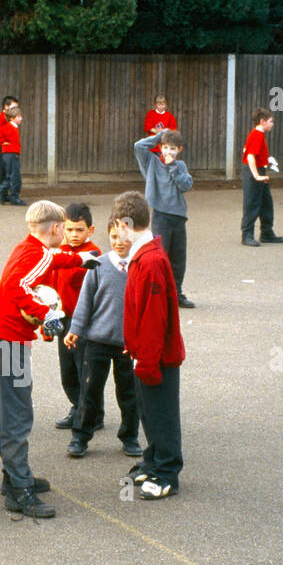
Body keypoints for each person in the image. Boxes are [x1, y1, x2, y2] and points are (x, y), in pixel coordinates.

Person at [0, 200, 100, 519]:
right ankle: (19, 489)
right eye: (64, 227)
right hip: (7, 342)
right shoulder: (36, 253)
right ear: (57, 228)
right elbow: (15, 285)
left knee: (8, 414)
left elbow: (53, 260)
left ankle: (14, 476)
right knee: (17, 416)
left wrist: (81, 258)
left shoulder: (30, 247)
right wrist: (46, 313)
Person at [114, 191, 184, 499]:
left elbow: (154, 318)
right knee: (148, 412)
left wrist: (148, 361)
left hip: (157, 358)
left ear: (122, 223)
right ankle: (153, 460)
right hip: (143, 353)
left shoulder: (151, 260)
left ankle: (168, 471)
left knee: (162, 414)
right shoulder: (142, 256)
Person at [64, 222, 141, 459]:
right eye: (114, 236)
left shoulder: (140, 266)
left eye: (124, 237)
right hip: (97, 340)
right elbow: (85, 300)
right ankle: (81, 436)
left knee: (129, 393)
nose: (119, 242)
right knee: (90, 390)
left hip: (128, 344)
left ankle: (130, 437)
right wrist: (76, 328)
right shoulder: (99, 265)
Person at [51, 203, 102, 431]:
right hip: (64, 318)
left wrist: (58, 255)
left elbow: (70, 275)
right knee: (68, 372)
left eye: (79, 230)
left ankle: (92, 413)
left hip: (83, 322)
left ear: (90, 230)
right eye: (69, 230)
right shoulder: (62, 252)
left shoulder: (92, 254)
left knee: (85, 371)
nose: (73, 235)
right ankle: (77, 406)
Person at [134, 129, 196, 307]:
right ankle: (158, 295)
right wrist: (160, 135)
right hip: (160, 215)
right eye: (166, 147)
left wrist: (173, 167)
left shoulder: (180, 166)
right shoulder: (151, 163)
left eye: (173, 148)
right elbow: (138, 146)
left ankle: (177, 294)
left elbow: (185, 185)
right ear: (160, 147)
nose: (169, 151)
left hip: (178, 216)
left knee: (178, 258)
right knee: (159, 257)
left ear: (180, 150)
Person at [240, 109, 283, 246]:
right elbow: (250, 157)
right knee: (252, 204)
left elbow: (255, 153)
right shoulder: (257, 135)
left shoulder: (260, 135)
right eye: (270, 121)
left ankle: (266, 232)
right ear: (262, 121)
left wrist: (268, 159)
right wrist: (257, 176)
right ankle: (247, 235)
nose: (272, 124)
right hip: (253, 172)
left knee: (266, 203)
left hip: (260, 170)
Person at [0, 106, 26, 206]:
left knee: (11, 175)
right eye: (18, 117)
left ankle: (2, 192)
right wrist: (3, 143)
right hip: (10, 154)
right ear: (12, 118)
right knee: (15, 176)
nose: (21, 119)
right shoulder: (9, 127)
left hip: (11, 154)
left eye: (20, 117)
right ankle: (12, 196)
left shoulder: (13, 127)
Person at [0, 95, 19, 198]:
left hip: (6, 147)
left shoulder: (7, 116)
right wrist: (2, 142)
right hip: (3, 147)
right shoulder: (3, 117)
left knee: (5, 170)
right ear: (6, 106)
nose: (16, 109)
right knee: (5, 170)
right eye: (13, 106)